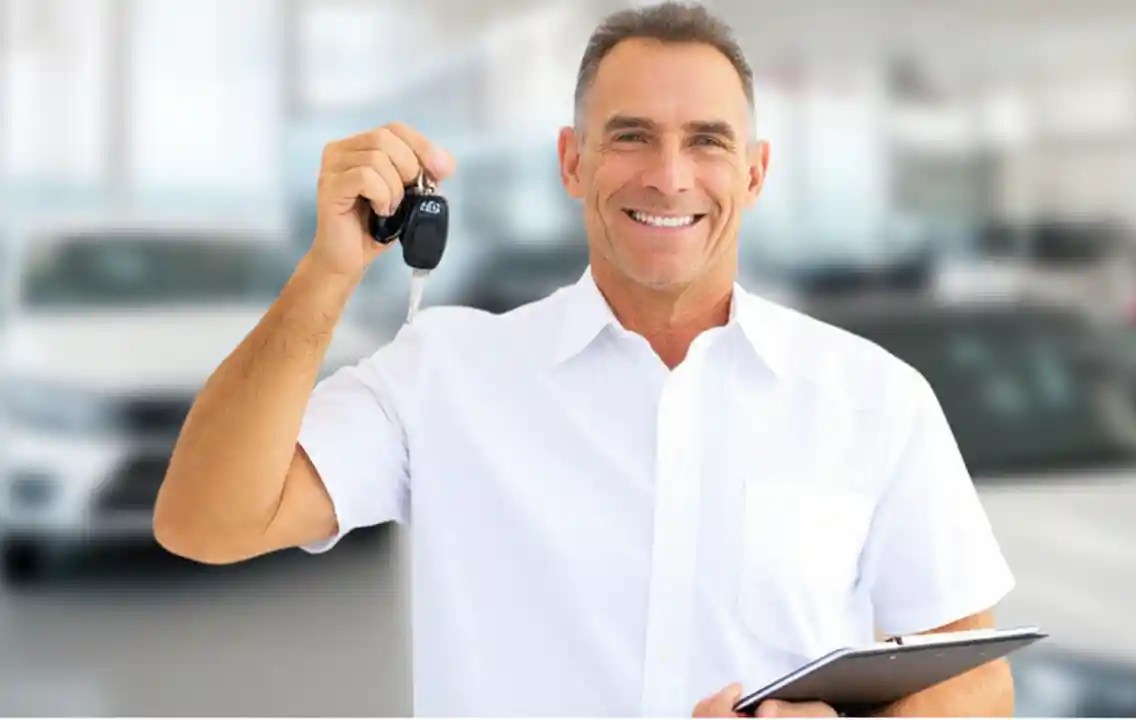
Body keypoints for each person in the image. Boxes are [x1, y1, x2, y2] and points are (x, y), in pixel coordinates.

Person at [154, 2, 1016, 716]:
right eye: (631, 136)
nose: (669, 176)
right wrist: (328, 270)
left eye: (708, 141)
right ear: (574, 162)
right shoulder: (443, 373)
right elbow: (205, 520)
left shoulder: (874, 399)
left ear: (754, 174)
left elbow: (976, 678)